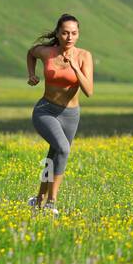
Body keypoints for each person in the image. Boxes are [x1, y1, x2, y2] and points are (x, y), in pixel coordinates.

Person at [25, 13, 93, 215]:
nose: (69, 37)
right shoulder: (47, 52)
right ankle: (51, 203)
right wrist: (31, 74)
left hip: (71, 115)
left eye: (74, 33)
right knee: (63, 149)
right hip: (45, 110)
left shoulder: (84, 56)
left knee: (53, 156)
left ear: (78, 34)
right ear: (58, 33)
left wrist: (75, 67)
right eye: (65, 33)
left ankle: (38, 200)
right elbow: (31, 53)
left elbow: (89, 91)